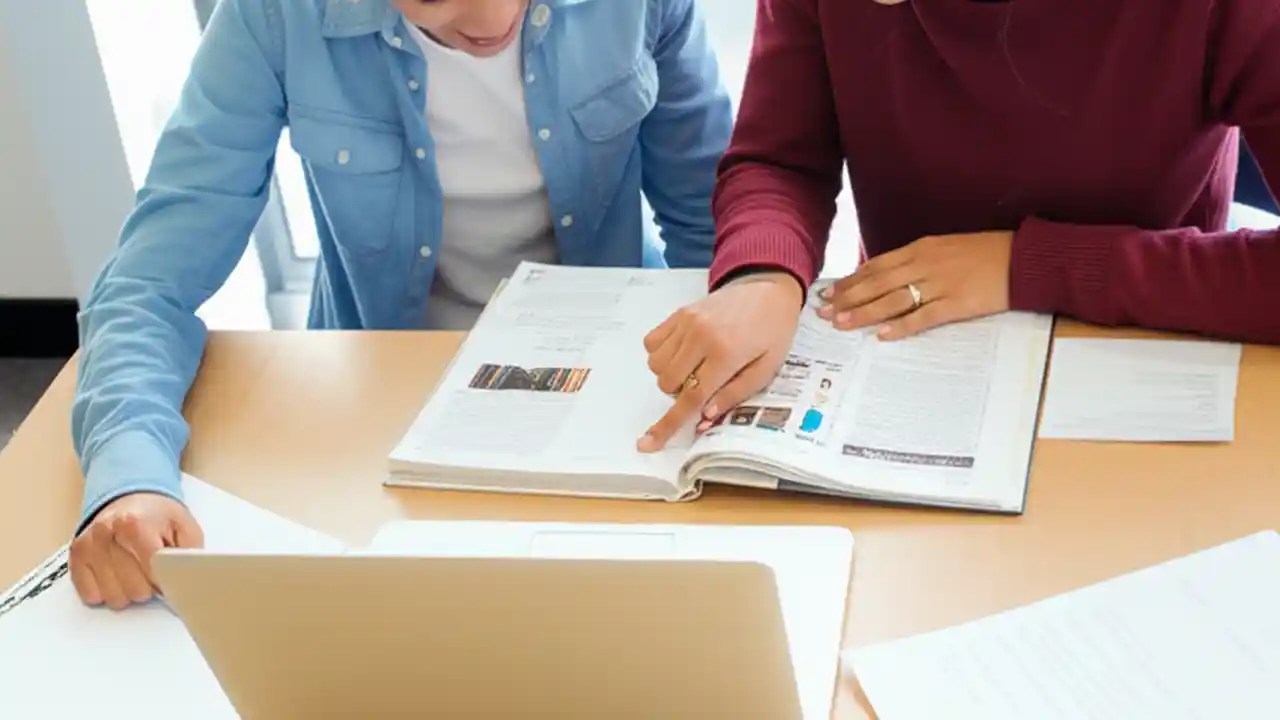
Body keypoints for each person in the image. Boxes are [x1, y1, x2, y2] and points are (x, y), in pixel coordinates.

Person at [69, 0, 732, 609]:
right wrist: (131, 474)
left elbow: (714, 234)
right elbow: (150, 281)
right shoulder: (275, 15)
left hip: (610, 387)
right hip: (382, 410)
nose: (491, 20)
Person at [639, 0, 1280, 452]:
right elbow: (779, 158)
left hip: (1149, 365)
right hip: (910, 371)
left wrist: (1030, 268)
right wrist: (763, 275)